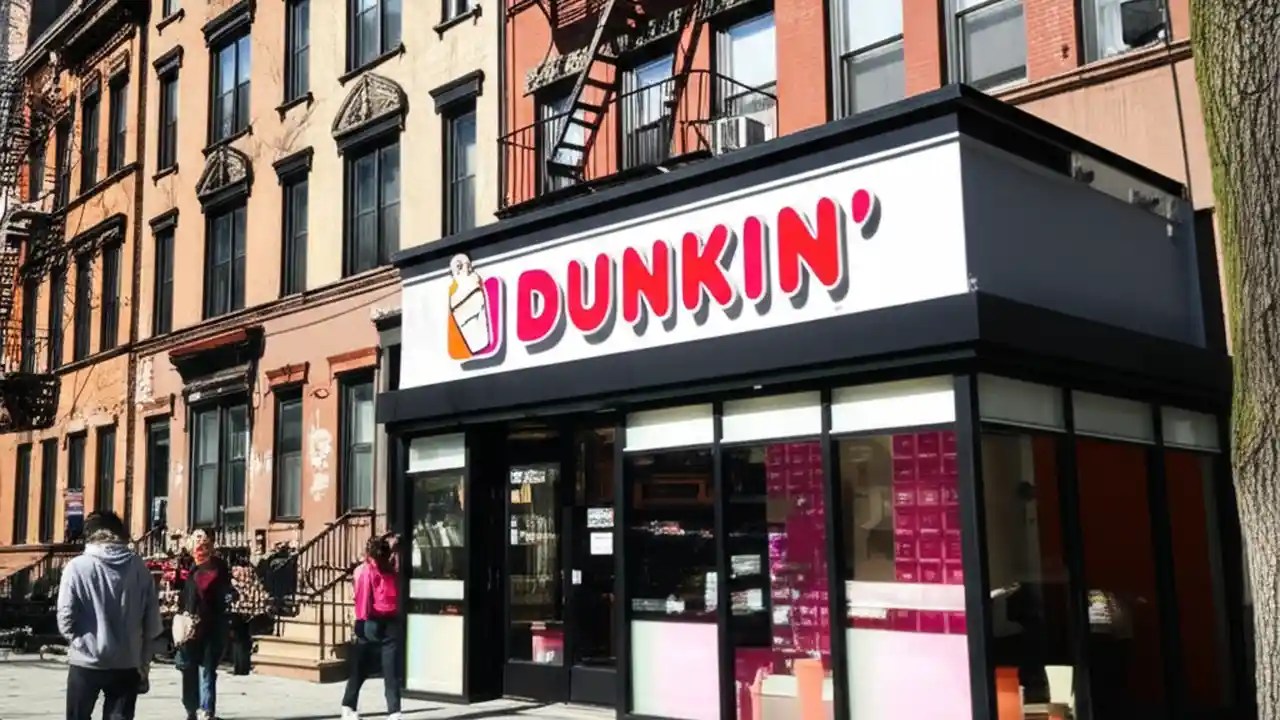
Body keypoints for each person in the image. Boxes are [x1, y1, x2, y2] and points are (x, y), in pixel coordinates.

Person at [57, 510, 163, 720]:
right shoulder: (139, 568)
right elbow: (152, 623)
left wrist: (79, 642)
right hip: (126, 661)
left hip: (86, 661)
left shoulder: (76, 567)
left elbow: (65, 618)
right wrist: (143, 660)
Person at [177, 530, 236, 720]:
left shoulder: (215, 569)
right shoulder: (191, 570)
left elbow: (226, 591)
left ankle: (201, 710)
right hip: (198, 626)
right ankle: (197, 710)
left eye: (204, 547)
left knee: (203, 669)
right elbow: (184, 597)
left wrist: (230, 596)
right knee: (197, 670)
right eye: (198, 548)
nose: (201, 552)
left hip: (207, 626)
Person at [341, 536, 402, 720]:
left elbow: (362, 599)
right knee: (389, 670)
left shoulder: (365, 570)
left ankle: (348, 706)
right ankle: (394, 712)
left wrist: (360, 623)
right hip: (384, 620)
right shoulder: (388, 570)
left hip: (372, 621)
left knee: (362, 668)